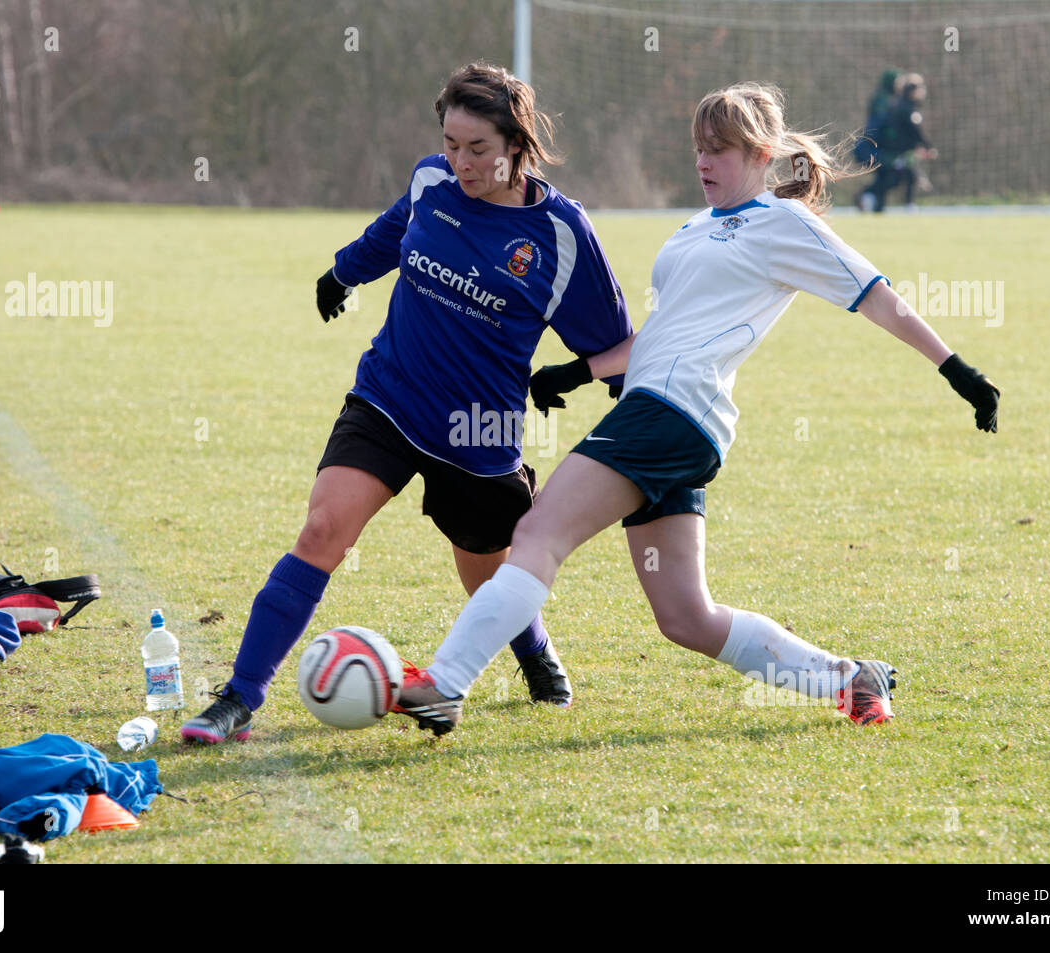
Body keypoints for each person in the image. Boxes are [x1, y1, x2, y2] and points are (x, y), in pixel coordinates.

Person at [394, 81, 1000, 736]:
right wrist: (579, 370)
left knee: (538, 534)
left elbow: (879, 296)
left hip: (671, 413)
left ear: (762, 153)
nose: (705, 162)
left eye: (721, 150)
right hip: (669, 417)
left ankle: (446, 685)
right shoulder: (694, 228)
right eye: (699, 149)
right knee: (686, 616)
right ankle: (850, 678)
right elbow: (663, 332)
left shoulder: (784, 221)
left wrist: (957, 370)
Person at [181, 63, 636, 744]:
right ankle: (238, 697)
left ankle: (533, 650)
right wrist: (342, 270)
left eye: (477, 148)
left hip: (479, 430)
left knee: (486, 568)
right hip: (389, 396)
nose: (460, 162)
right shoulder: (433, 181)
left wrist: (599, 392)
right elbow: (395, 231)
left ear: (517, 143)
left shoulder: (561, 235)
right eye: (450, 143)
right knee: (322, 529)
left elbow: (615, 340)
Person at [856, 73, 938, 213]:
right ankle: (905, 205)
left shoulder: (897, 105)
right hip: (875, 150)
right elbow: (912, 131)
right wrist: (926, 147)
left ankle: (872, 201)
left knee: (895, 176)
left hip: (878, 149)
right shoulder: (902, 108)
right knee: (897, 175)